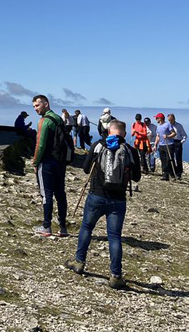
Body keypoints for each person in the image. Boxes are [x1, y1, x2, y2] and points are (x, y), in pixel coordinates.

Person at [63, 120, 141, 290]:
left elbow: (85, 169)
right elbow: (136, 177)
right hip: (118, 200)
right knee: (114, 236)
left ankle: (79, 262)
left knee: (87, 228)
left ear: (107, 131)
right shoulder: (130, 150)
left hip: (96, 196)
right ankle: (115, 276)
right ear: (124, 134)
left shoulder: (98, 145)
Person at [31, 94, 68, 238]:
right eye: (34, 106)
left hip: (47, 161)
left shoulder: (44, 122)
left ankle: (46, 226)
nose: (35, 109)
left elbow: (40, 144)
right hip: (60, 161)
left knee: (46, 194)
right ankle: (63, 227)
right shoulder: (58, 119)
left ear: (46, 104)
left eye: (37, 105)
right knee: (60, 193)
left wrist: (35, 162)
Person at [152, 113, 178, 182]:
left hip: (169, 144)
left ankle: (173, 175)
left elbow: (174, 133)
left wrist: (167, 136)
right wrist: (155, 145)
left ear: (160, 118)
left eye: (157, 118)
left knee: (169, 160)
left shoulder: (167, 125)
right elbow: (158, 136)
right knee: (163, 160)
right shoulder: (158, 126)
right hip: (161, 145)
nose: (156, 119)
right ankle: (165, 175)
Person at [168, 114, 187, 180]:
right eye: (169, 120)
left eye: (171, 120)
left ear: (174, 119)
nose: (170, 121)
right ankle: (173, 172)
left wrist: (181, 142)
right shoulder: (167, 126)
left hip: (177, 142)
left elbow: (184, 135)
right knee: (171, 158)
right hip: (170, 142)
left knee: (178, 158)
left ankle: (179, 173)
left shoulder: (179, 126)